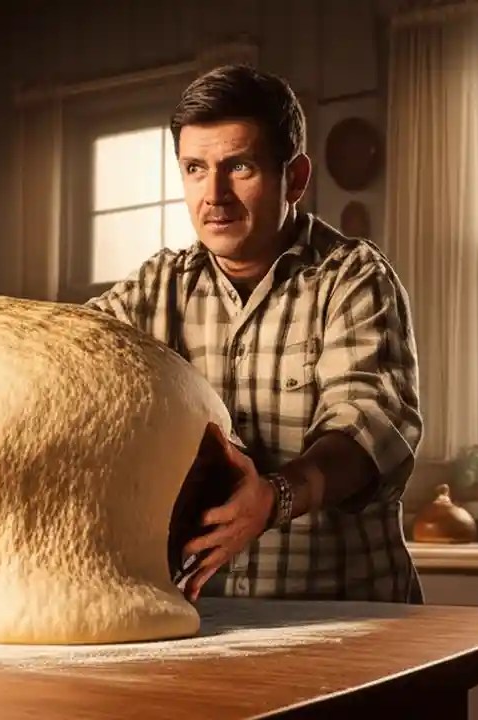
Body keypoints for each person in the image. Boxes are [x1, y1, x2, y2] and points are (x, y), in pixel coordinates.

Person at [85, 64, 424, 604]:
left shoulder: (352, 276)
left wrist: (276, 496)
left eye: (238, 166)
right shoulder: (156, 287)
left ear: (295, 178)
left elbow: (369, 424)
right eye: (195, 168)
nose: (213, 194)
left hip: (352, 624)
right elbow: (65, 349)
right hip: (209, 629)